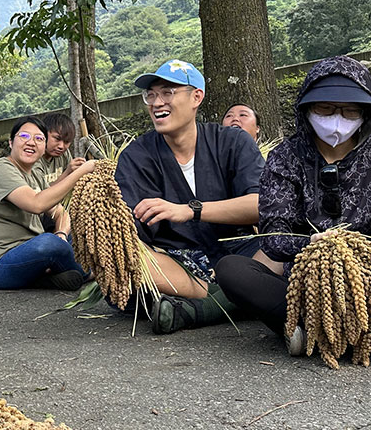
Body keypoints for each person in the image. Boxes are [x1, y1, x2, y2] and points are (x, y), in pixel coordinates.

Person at [215, 55, 371, 355]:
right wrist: (312, 245)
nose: (337, 120)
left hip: (366, 274)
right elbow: (274, 235)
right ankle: (314, 325)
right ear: (307, 109)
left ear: (364, 113)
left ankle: (316, 335)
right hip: (303, 282)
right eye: (325, 109)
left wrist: (353, 252)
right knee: (232, 271)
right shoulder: (285, 158)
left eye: (350, 111)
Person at [114, 59, 276, 335]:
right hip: (179, 264)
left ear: (196, 97)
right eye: (150, 95)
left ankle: (199, 309)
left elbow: (262, 204)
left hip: (241, 255)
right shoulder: (135, 156)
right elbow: (132, 230)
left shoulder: (234, 142)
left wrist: (191, 209)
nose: (156, 103)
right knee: (124, 262)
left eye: (168, 93)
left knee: (286, 246)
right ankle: (238, 297)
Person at [0, 116, 97, 290]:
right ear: (10, 143)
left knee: (78, 232)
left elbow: (61, 212)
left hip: (29, 253)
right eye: (24, 136)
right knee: (48, 243)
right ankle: (88, 274)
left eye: (39, 139)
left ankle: (46, 278)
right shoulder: (1, 169)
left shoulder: (34, 175)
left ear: (43, 146)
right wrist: (81, 171)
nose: (31, 142)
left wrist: (61, 232)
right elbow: (36, 204)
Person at [32, 112, 86, 188]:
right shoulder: (32, 160)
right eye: (57, 139)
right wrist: (67, 172)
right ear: (43, 134)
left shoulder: (64, 153)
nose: (61, 146)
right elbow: (43, 196)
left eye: (66, 142)